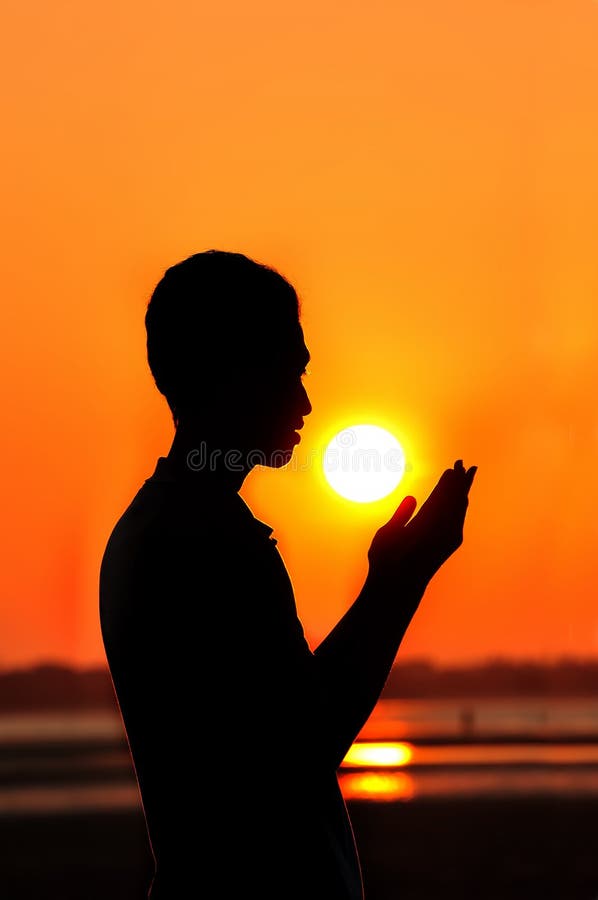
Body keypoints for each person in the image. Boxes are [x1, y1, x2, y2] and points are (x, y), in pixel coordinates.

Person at [99, 249, 477, 899]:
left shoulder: (166, 529)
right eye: (290, 372)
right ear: (235, 375)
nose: (304, 402)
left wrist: (394, 580)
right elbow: (302, 746)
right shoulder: (202, 542)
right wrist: (398, 583)